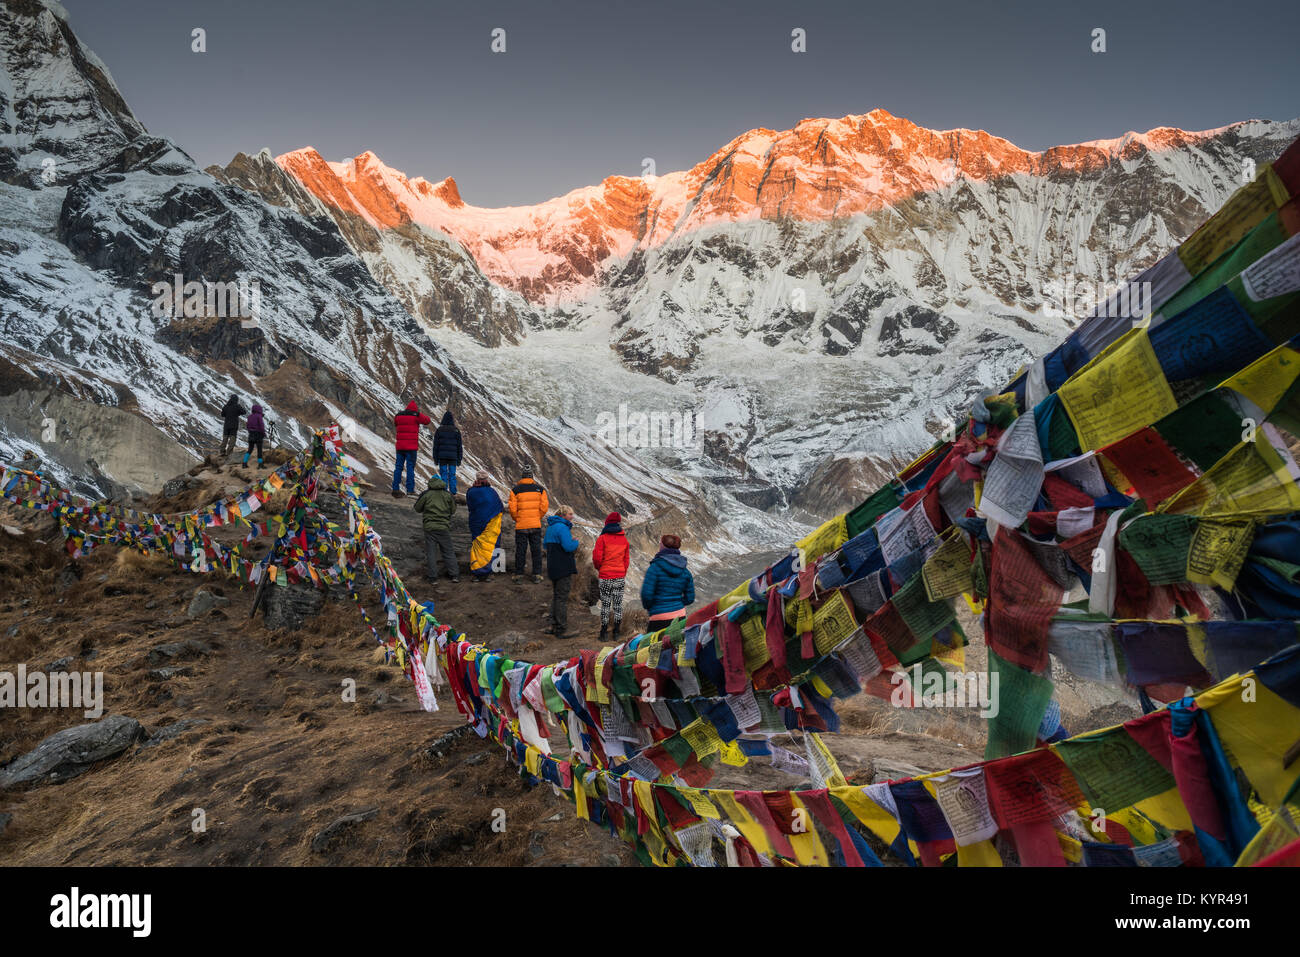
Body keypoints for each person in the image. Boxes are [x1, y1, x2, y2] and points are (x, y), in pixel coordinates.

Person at [640, 533, 695, 630]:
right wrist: (677, 604)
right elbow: (690, 598)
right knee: (676, 644)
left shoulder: (654, 568)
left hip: (658, 617)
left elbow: (646, 595)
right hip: (680, 618)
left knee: (654, 644)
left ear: (662, 547)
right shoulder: (685, 572)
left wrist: (652, 608)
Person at [592, 511, 630, 641]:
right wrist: (622, 572)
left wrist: (600, 569)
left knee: (606, 604)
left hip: (606, 576)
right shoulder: (624, 540)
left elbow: (597, 558)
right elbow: (626, 560)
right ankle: (617, 632)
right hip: (619, 576)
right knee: (618, 605)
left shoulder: (602, 539)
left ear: (607, 524)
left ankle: (603, 633)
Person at [543, 506, 580, 638]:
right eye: (570, 514)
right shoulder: (563, 527)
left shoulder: (551, 527)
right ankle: (561, 629)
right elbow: (568, 547)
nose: (572, 516)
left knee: (556, 596)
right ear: (563, 515)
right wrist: (576, 542)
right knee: (562, 598)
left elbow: (544, 545)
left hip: (553, 566)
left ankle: (551, 625)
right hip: (563, 566)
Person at [414, 474, 459, 583]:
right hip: (443, 527)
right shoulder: (448, 495)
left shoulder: (426, 494)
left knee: (431, 553)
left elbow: (417, 508)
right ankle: (454, 575)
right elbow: (453, 510)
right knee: (448, 552)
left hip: (429, 528)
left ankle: (433, 577)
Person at [508, 464, 548, 583]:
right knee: (536, 550)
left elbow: (512, 509)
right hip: (535, 525)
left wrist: (518, 518)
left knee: (521, 550)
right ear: (532, 477)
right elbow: (544, 507)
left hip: (521, 526)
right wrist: (537, 517)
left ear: (522, 476)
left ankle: (519, 575)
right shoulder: (540, 490)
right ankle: (537, 575)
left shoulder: (515, 490)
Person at [466, 471, 504, 582]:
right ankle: (491, 572)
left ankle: (477, 573)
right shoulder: (492, 492)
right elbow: (499, 506)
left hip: (476, 522)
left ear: (477, 479)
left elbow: (470, 507)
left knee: (477, 545)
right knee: (492, 544)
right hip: (491, 522)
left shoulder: (471, 492)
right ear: (487, 480)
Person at [392, 400, 431, 498]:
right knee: (410, 468)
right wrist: (418, 414)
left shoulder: (399, 416)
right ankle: (410, 490)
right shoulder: (416, 416)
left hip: (400, 447)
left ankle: (395, 488)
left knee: (398, 467)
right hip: (411, 447)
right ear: (415, 409)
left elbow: (395, 423)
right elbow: (427, 421)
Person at [433, 410, 463, 495]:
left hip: (442, 457)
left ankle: (444, 491)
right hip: (453, 457)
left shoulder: (439, 430)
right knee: (452, 475)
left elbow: (436, 446)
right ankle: (453, 492)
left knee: (444, 474)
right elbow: (459, 446)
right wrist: (459, 459)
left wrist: (435, 458)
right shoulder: (456, 430)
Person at [219, 394, 246, 458]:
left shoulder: (226, 406)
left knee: (225, 438)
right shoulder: (237, 406)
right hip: (234, 425)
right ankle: (229, 452)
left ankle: (222, 451)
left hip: (226, 425)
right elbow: (244, 412)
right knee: (232, 439)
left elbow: (222, 414)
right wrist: (238, 413)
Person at [242, 403, 266, 468]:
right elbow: (261, 425)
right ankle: (260, 464)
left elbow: (247, 425)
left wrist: (250, 431)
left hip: (251, 434)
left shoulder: (249, 416)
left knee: (250, 449)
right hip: (258, 434)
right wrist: (263, 433)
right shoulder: (259, 416)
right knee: (259, 449)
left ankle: (244, 463)